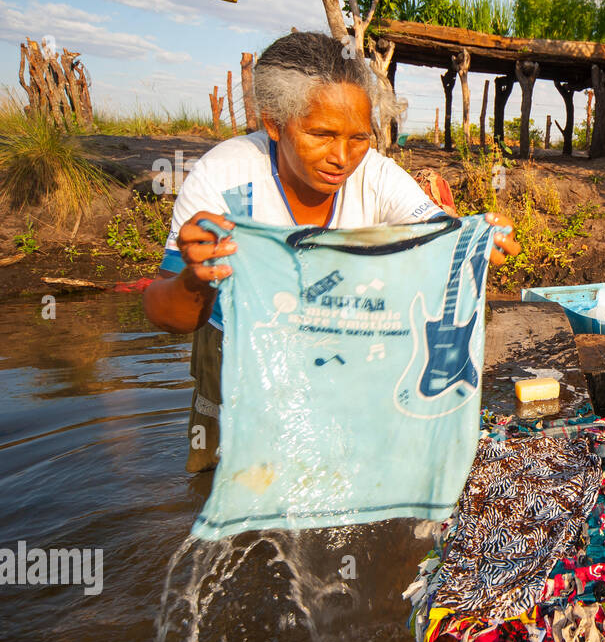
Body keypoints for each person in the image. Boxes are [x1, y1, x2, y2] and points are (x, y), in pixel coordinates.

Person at [143, 31, 520, 471]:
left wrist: (476, 237)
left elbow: (438, 229)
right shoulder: (223, 177)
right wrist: (196, 277)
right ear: (274, 124)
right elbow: (164, 313)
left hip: (338, 347)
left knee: (336, 471)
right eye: (320, 134)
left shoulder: (376, 176)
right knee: (224, 480)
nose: (341, 157)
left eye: (358, 138)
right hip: (234, 354)